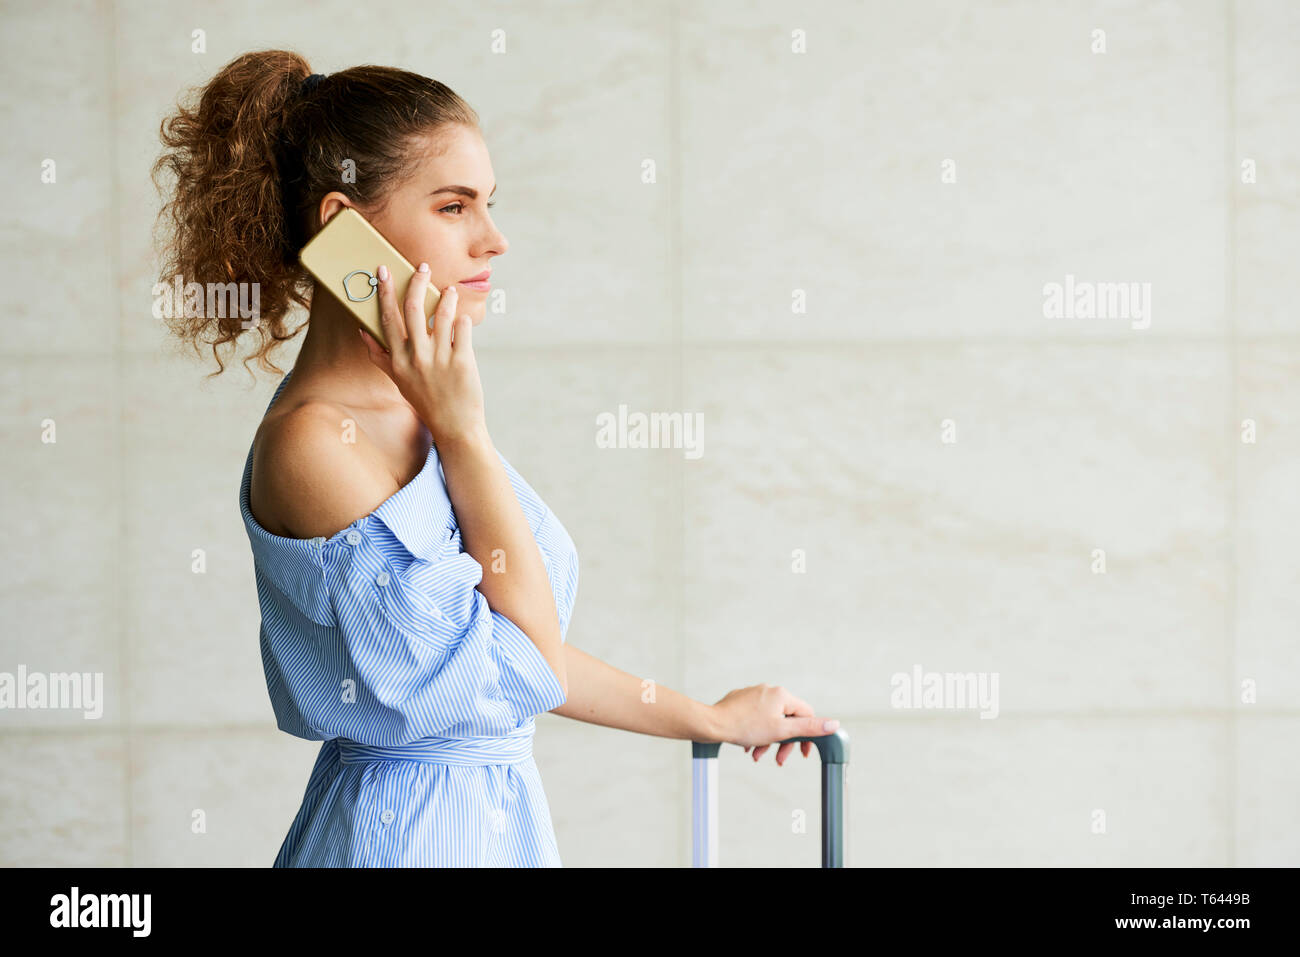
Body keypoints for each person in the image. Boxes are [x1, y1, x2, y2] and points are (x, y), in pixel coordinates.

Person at [152, 49, 840, 866]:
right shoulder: (313, 443)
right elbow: (524, 655)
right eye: (454, 207)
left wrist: (712, 718)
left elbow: (507, 659)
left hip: (495, 822)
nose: (494, 239)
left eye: (488, 205)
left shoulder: (420, 405)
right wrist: (464, 432)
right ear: (345, 229)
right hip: (404, 837)